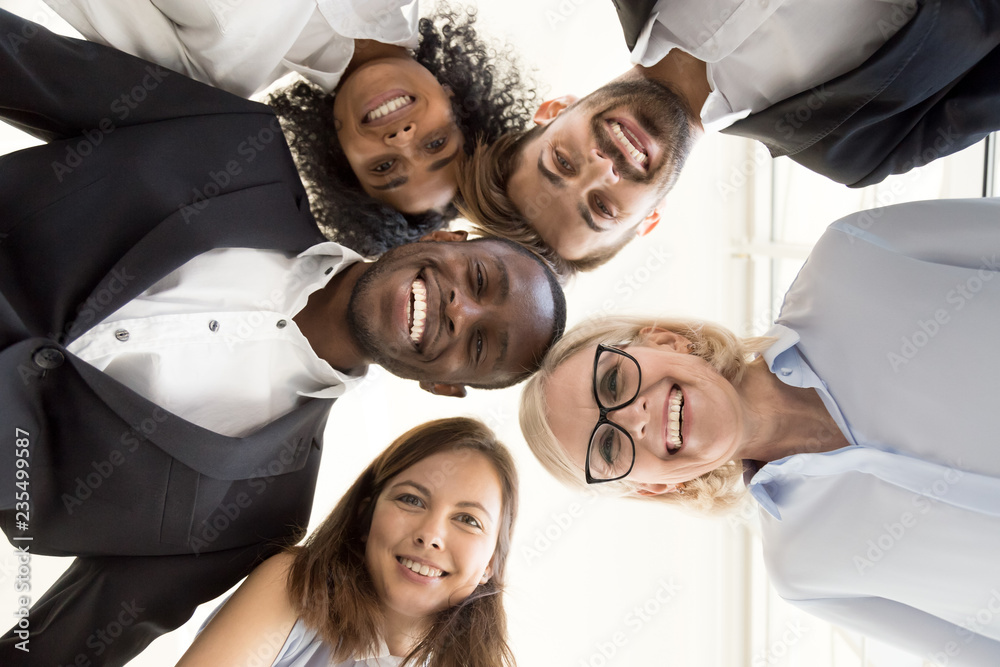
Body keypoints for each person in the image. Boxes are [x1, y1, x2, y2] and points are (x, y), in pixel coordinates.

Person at [0, 10, 563, 665]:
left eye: (479, 343)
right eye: (480, 279)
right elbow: (28, 66)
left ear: (440, 384)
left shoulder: (259, 517)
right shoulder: (236, 142)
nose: (458, 309)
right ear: (445, 238)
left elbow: (67, 642)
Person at [518, 198, 1000, 663]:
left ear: (667, 340)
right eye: (607, 447)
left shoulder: (854, 258)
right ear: (654, 486)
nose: (634, 417)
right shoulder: (806, 574)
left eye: (613, 382)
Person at [459, 0, 1000, 275]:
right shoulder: (862, 149)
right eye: (601, 207)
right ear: (649, 219)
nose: (604, 168)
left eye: (562, 161)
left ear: (553, 110)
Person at [47, 0, 538, 254]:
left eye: (385, 168)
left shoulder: (204, 73)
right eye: (436, 142)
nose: (402, 139)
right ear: (456, 102)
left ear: (341, 157)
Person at [175, 416, 518, 667]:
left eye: (468, 520)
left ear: (490, 564)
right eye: (411, 500)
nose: (430, 535)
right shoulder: (296, 585)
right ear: (364, 517)